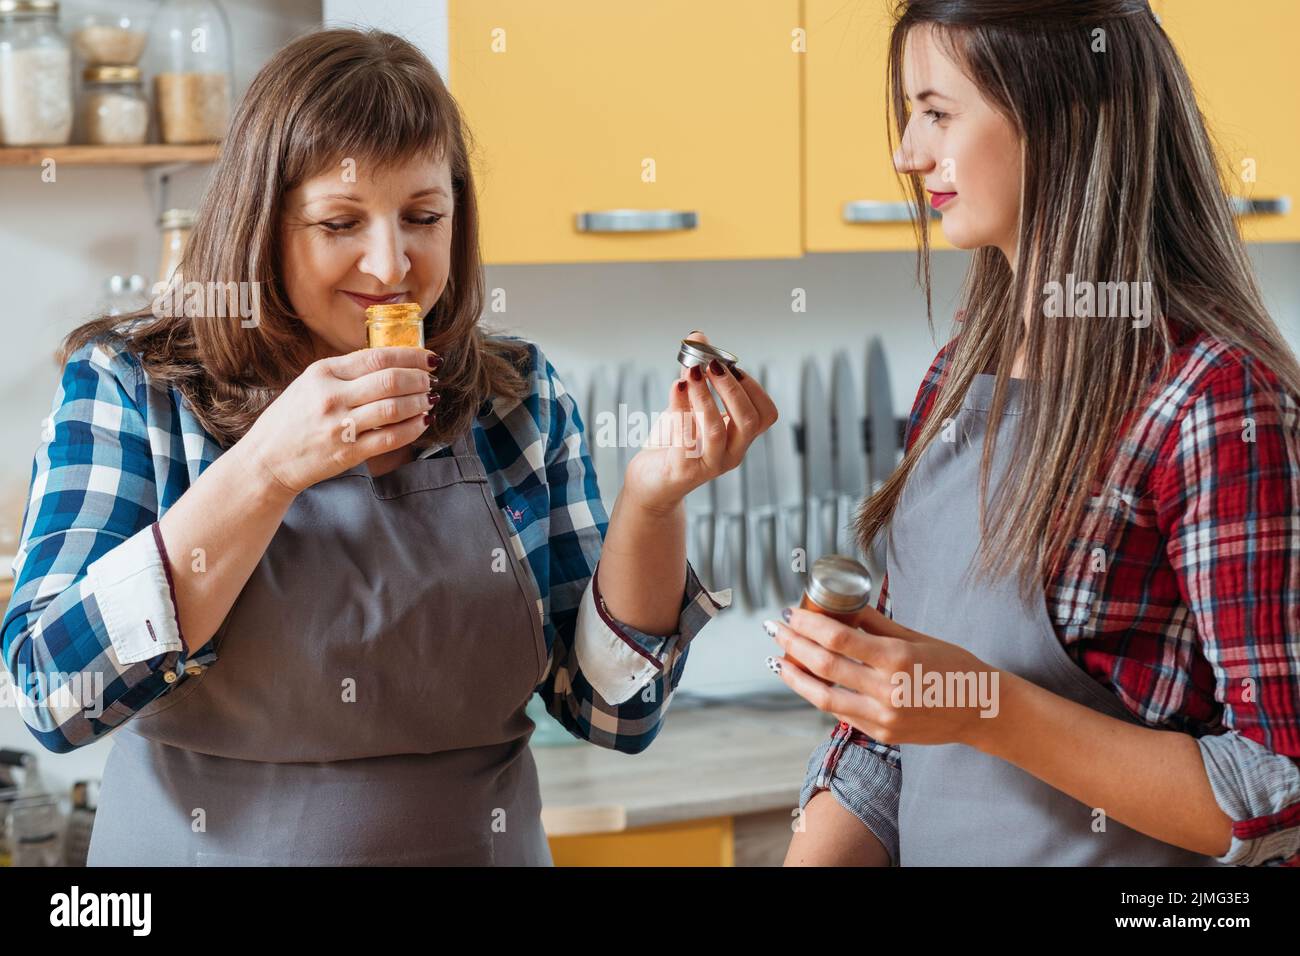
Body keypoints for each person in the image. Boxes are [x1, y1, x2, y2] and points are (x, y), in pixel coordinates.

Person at [0, 28, 776, 866]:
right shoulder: (135, 387)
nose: (391, 262)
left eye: (423, 216)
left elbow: (611, 712)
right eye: (340, 221)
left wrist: (653, 503)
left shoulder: (517, 396)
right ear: (263, 228)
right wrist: (266, 469)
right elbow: (52, 691)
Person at [775, 0, 1300, 866]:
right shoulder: (954, 383)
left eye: (938, 113)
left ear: (1066, 115)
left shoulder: (1215, 403)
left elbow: (1280, 787)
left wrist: (984, 705)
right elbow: (886, 746)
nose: (909, 153)